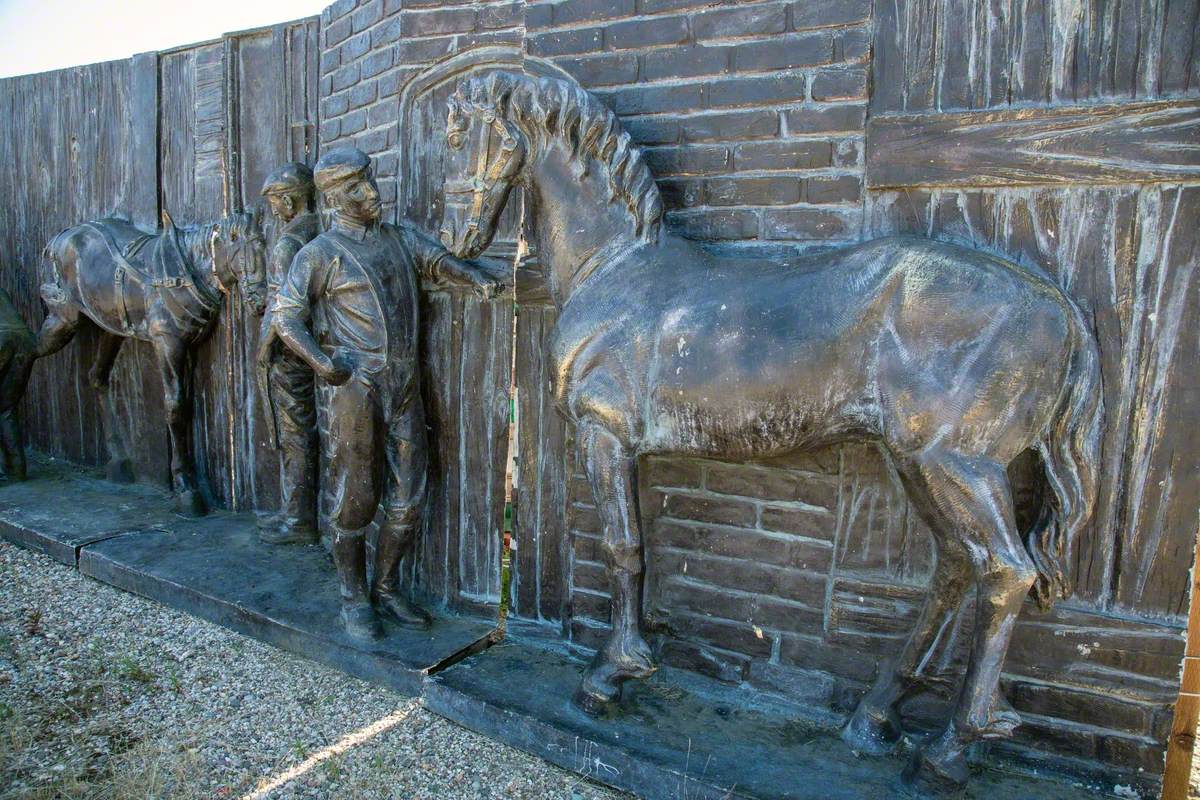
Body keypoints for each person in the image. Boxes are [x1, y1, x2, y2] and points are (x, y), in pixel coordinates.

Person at [270, 146, 505, 640]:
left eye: (369, 181)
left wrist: (476, 279)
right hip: (357, 390)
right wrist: (325, 364)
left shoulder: (397, 239)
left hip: (404, 385)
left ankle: (387, 586)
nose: (372, 193)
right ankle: (353, 598)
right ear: (334, 198)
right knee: (356, 497)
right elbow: (286, 318)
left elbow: (438, 261)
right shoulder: (321, 254)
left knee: (408, 496)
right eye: (356, 188)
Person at [256, 162, 322, 545]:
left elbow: (280, 308)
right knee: (300, 432)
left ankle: (298, 520)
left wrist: (264, 350)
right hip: (311, 344)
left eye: (274, 202)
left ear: (288, 200)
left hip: (288, 351)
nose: (273, 210)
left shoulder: (288, 243)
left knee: (293, 433)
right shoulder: (320, 230)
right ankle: (292, 511)